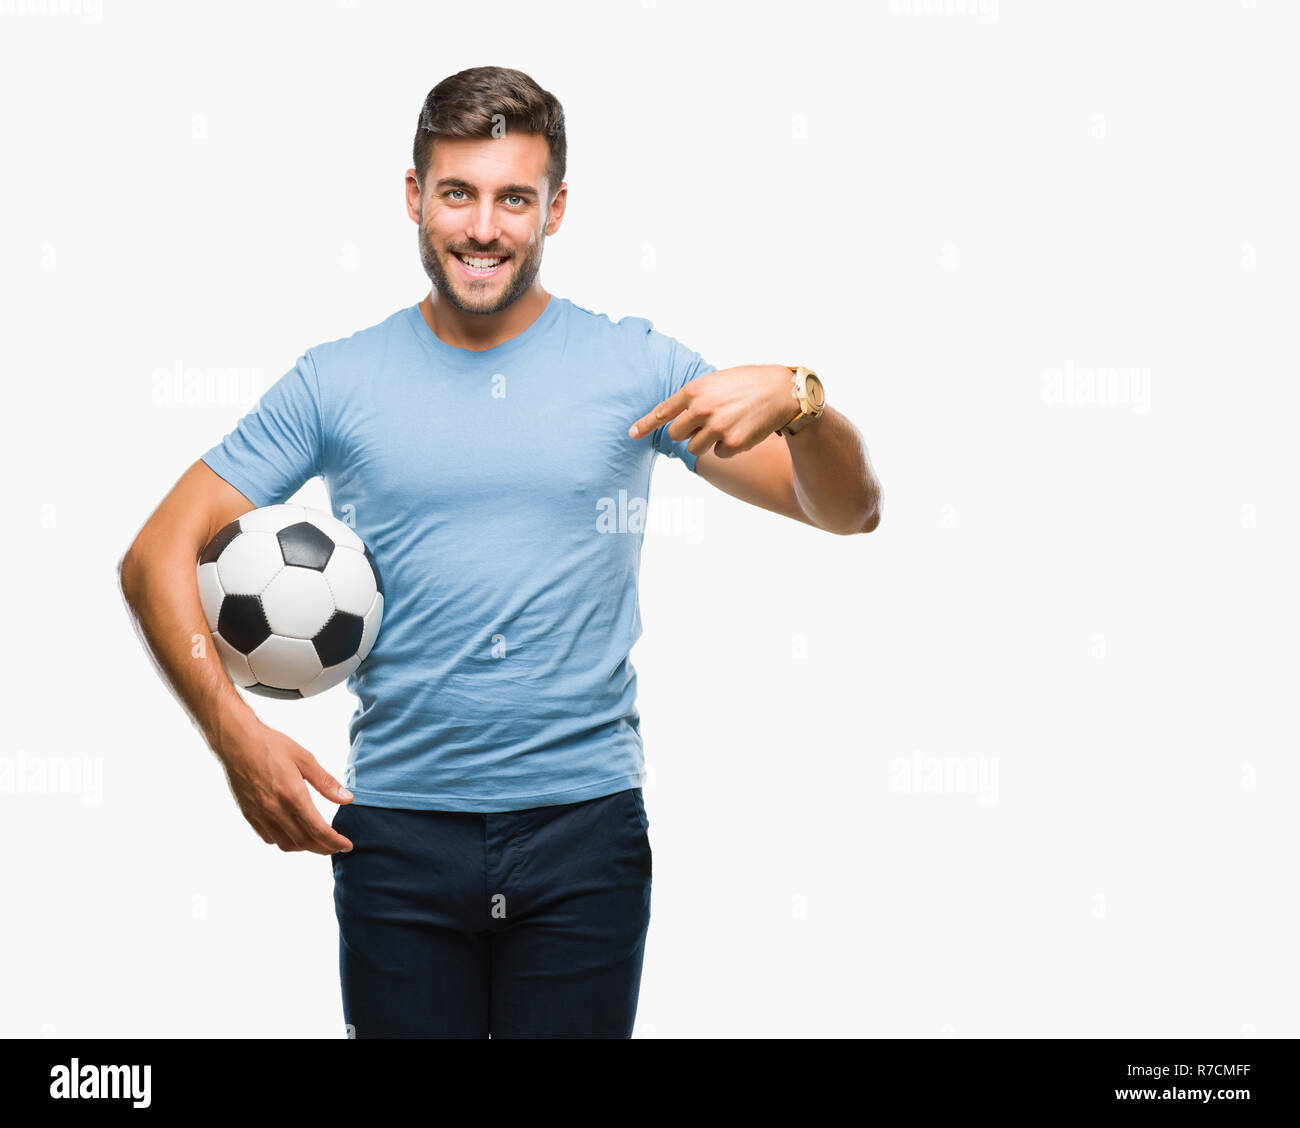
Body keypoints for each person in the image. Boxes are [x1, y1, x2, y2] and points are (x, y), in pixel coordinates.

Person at [118, 65, 883, 1038]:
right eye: (458, 194)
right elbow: (156, 553)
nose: (484, 227)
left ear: (554, 209)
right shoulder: (338, 380)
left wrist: (805, 404)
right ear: (414, 198)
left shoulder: (635, 366)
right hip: (395, 834)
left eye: (512, 198)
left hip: (584, 833)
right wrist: (234, 734)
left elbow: (846, 512)